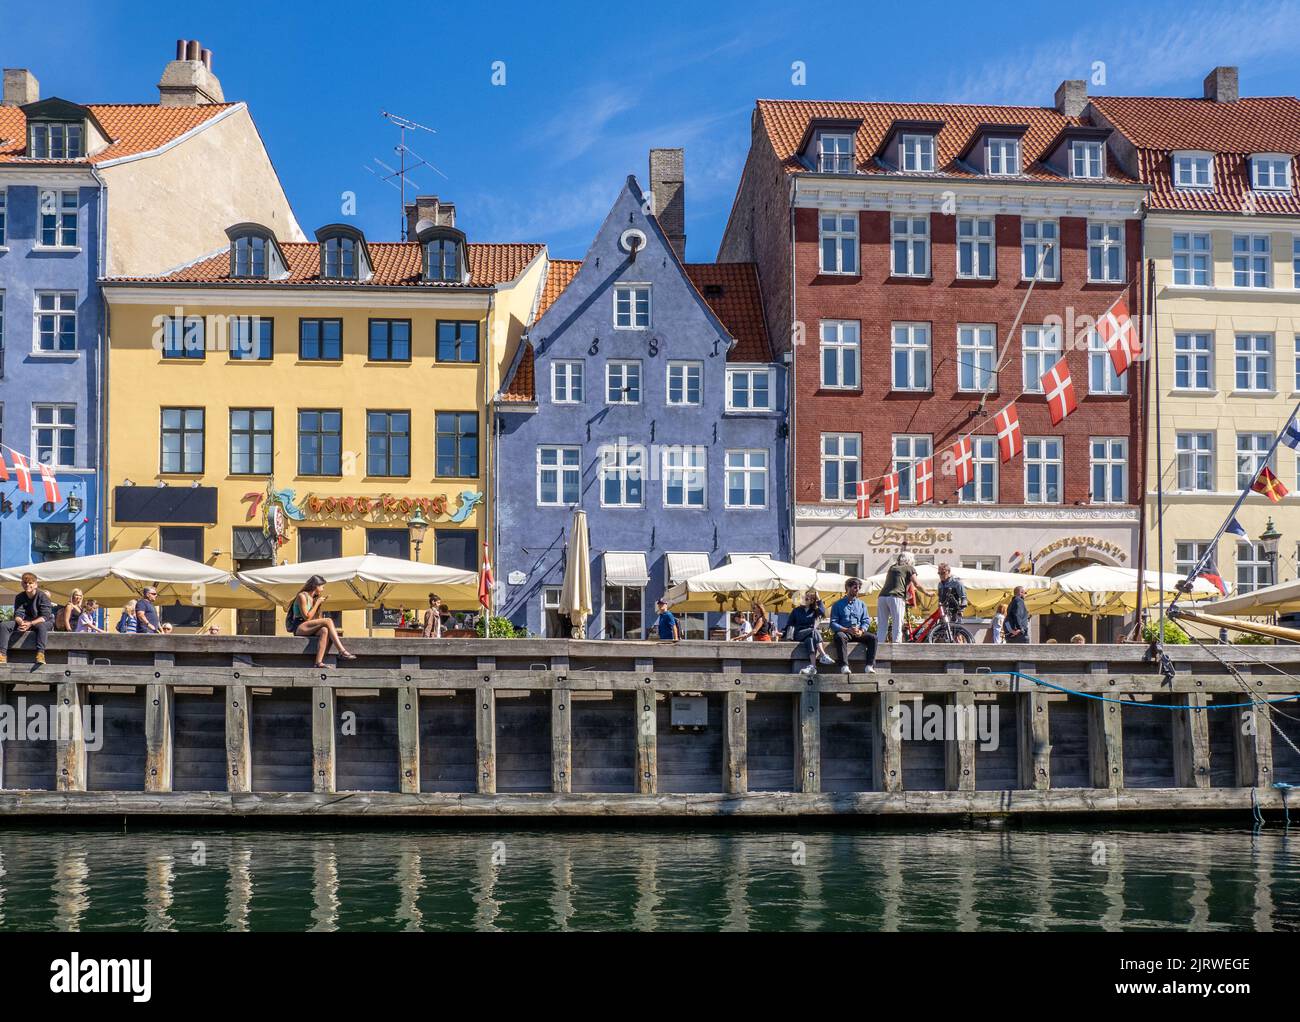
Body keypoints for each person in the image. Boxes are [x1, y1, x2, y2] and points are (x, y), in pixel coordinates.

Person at [287, 574, 356, 668]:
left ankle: (318, 662)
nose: (323, 589)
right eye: (322, 586)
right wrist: (318, 603)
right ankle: (342, 651)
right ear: (316, 585)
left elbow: (314, 619)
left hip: (307, 626)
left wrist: (318, 604)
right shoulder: (302, 596)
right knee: (328, 620)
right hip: (299, 626)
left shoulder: (313, 598)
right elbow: (307, 617)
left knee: (324, 630)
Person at [0, 572, 54, 666]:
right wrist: (21, 623)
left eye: (30, 583)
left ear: (36, 584)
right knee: (4, 625)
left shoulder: (43, 596)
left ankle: (40, 654)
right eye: (25, 583)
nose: (27, 585)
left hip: (42, 621)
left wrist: (30, 623)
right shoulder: (19, 597)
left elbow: (45, 616)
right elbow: (18, 614)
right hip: (26, 622)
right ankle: (2, 654)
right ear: (22, 584)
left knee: (41, 626)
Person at [877, 552, 932, 642]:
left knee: (882, 624)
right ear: (910, 560)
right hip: (896, 597)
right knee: (897, 624)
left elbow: (897, 582)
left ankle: (879, 646)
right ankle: (896, 646)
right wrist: (927, 593)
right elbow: (916, 584)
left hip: (882, 596)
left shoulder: (892, 568)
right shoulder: (909, 568)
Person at [830, 577, 877, 675]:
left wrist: (862, 630)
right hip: (845, 632)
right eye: (855, 587)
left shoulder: (862, 604)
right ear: (848, 587)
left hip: (858, 633)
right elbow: (833, 623)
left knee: (873, 638)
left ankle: (869, 666)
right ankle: (844, 666)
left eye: (859, 588)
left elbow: (866, 620)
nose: (857, 590)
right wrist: (847, 630)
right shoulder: (837, 604)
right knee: (839, 636)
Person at [790, 589, 834, 676]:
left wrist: (818, 599)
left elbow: (822, 611)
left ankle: (813, 666)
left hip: (809, 635)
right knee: (814, 630)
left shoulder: (813, 611)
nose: (805, 600)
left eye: (808, 599)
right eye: (804, 598)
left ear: (812, 601)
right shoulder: (796, 610)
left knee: (810, 640)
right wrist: (782, 633)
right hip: (799, 633)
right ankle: (823, 655)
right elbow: (789, 624)